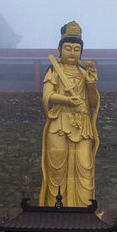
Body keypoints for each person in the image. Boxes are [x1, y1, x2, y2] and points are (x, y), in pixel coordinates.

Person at [40, 21, 99, 207]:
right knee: (57, 170)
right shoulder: (53, 70)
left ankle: (84, 214)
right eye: (68, 48)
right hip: (59, 123)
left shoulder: (84, 72)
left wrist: (91, 84)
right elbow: (47, 96)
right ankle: (55, 215)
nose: (72, 52)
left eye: (76, 49)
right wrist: (66, 100)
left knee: (84, 170)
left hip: (82, 125)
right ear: (59, 50)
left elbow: (92, 103)